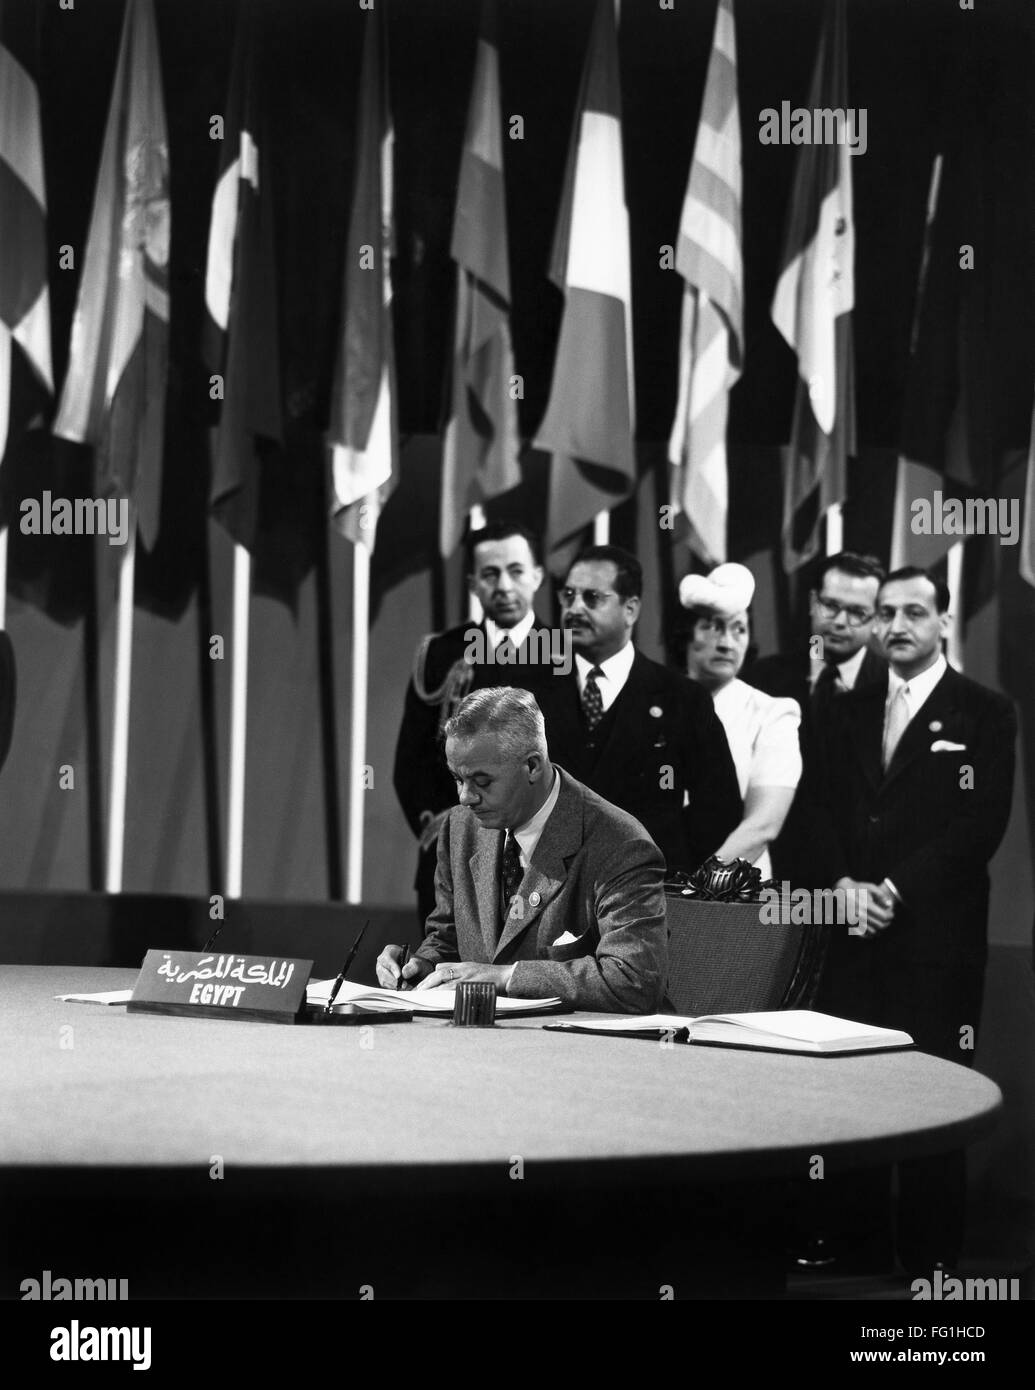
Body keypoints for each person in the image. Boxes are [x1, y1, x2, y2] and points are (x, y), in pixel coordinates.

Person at [809, 565, 1017, 1273]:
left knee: (932, 1101)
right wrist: (842, 883)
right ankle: (855, 1257)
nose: (895, 626)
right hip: (852, 938)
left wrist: (890, 890)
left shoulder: (984, 712)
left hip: (935, 943)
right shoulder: (843, 709)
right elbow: (821, 810)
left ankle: (930, 1265)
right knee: (855, 1100)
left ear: (942, 622)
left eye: (913, 613)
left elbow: (977, 827)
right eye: (885, 613)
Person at [378, 687, 668, 1012]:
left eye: (481, 781)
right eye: (457, 779)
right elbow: (447, 937)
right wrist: (422, 965)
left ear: (532, 766)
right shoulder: (460, 828)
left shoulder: (621, 846)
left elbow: (635, 981)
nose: (464, 797)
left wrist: (506, 977)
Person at [534, 545, 741, 875]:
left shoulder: (683, 699)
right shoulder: (533, 693)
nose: (574, 608)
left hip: (647, 896)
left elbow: (719, 808)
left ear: (630, 609)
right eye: (568, 595)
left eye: (592, 598)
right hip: (549, 893)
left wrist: (671, 865)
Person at [393, 523, 558, 927]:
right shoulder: (441, 654)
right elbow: (410, 763)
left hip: (547, 860)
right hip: (456, 858)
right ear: (472, 583)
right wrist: (446, 829)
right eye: (490, 574)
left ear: (537, 575)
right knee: (443, 974)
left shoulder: (563, 654)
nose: (503, 585)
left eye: (516, 571)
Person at [744, 551, 887, 888]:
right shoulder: (762, 680)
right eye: (831, 606)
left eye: (857, 613)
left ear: (878, 619)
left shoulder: (893, 689)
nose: (840, 622)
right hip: (774, 880)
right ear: (812, 602)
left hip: (861, 888)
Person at [676, 564, 801, 880]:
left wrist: (697, 887)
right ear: (685, 632)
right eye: (712, 627)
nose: (726, 642)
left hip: (735, 894)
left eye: (739, 629)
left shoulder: (772, 713)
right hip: (647, 891)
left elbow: (762, 825)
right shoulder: (652, 701)